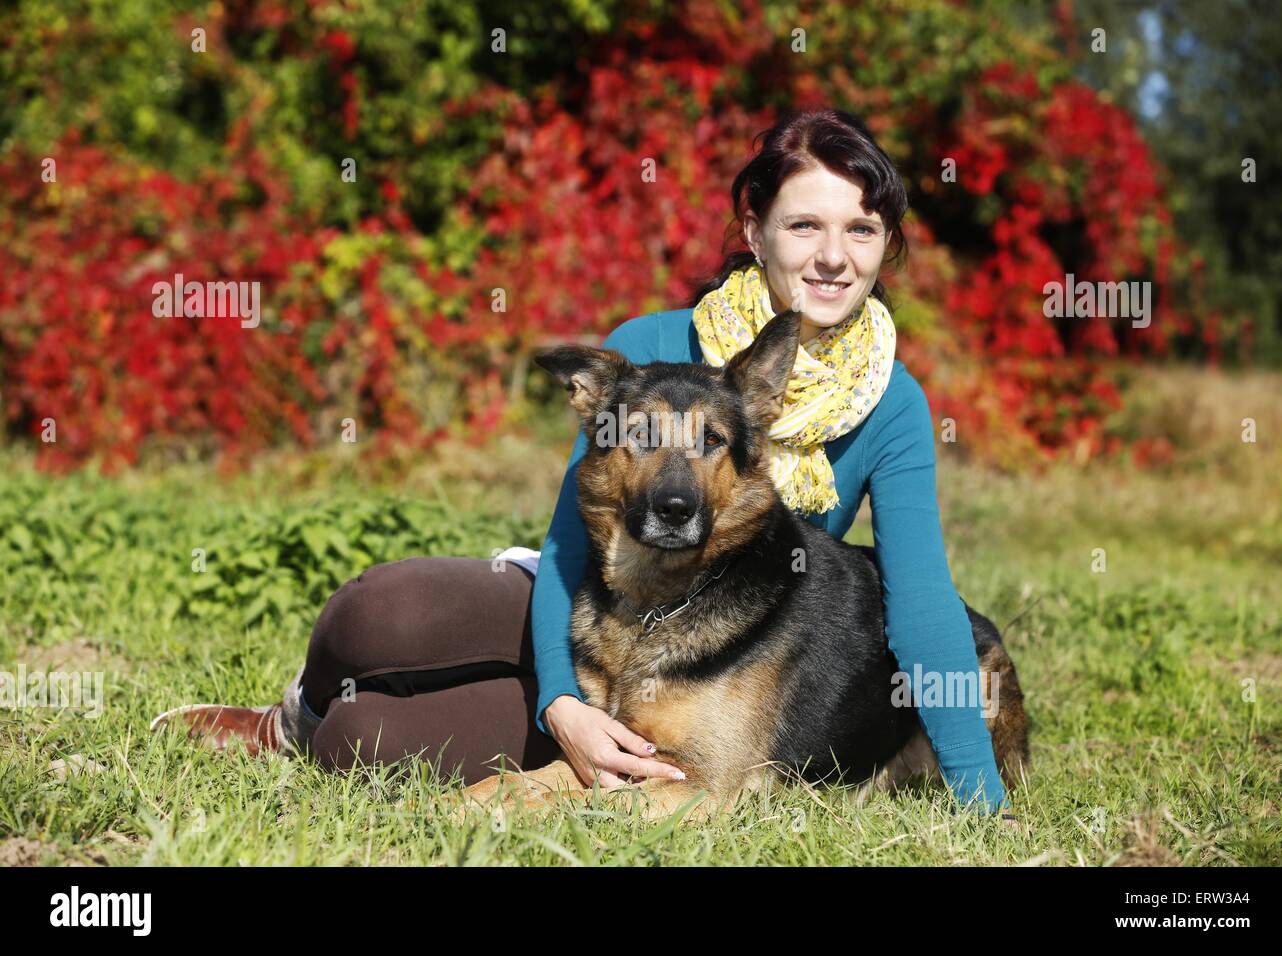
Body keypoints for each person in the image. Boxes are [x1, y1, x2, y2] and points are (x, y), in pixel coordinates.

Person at [150, 107, 1011, 816]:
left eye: (861, 228)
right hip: (592, 604)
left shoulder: (891, 400)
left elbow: (925, 604)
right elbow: (569, 544)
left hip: (729, 629)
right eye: (805, 225)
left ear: (884, 243)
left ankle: (313, 731)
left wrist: (981, 800)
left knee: (359, 745)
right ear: (755, 230)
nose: (834, 255)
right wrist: (565, 706)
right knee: (375, 613)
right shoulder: (646, 346)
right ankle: (284, 715)